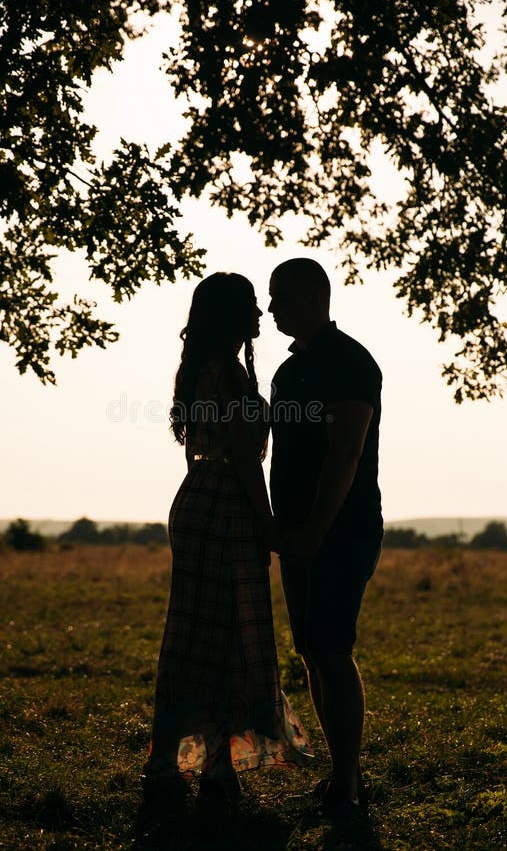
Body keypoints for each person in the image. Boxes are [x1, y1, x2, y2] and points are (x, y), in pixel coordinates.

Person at [141, 272, 315, 808]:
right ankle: (187, 768)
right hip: (225, 505)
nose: (261, 316)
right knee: (222, 633)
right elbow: (243, 456)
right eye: (250, 309)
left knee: (203, 634)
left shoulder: (209, 370)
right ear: (230, 317)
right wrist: (265, 524)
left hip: (200, 496)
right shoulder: (225, 373)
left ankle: (198, 767)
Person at [268, 258, 383, 818]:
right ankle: (348, 771)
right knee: (312, 651)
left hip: (342, 529)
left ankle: (346, 780)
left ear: (316, 296)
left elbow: (347, 452)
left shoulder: (350, 362)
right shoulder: (288, 372)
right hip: (296, 534)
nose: (271, 310)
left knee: (333, 649)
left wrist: (316, 528)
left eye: (282, 298)